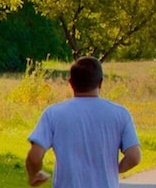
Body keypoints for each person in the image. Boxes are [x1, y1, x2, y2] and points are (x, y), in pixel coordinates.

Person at [26, 57, 141, 187]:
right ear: (100, 82)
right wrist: (114, 170)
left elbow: (34, 156)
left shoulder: (53, 114)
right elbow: (134, 157)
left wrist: (34, 174)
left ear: (71, 83)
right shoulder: (120, 114)